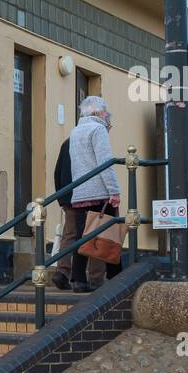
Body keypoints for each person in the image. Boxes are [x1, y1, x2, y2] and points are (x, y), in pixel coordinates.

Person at [67, 96, 122, 292]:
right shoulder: (98, 129)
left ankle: (79, 279)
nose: (106, 114)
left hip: (80, 192)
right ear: (98, 112)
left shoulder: (75, 131)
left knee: (82, 237)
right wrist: (114, 191)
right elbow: (105, 162)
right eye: (105, 111)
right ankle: (117, 277)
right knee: (110, 234)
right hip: (99, 192)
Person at [51, 136, 77, 290]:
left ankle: (62, 271)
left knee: (69, 234)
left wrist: (62, 197)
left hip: (67, 196)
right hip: (84, 195)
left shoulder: (67, 142)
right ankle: (90, 278)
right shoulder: (91, 138)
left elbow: (57, 172)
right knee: (91, 233)